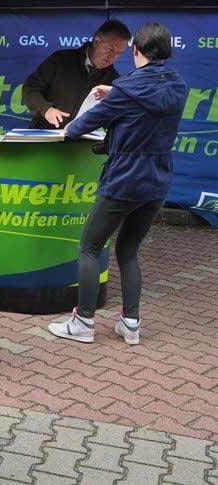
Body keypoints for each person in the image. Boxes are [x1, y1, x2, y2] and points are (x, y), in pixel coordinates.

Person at [48, 22, 187, 345]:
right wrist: (115, 92)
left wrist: (68, 130)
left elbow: (83, 124)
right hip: (158, 180)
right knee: (128, 251)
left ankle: (83, 321)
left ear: (136, 50)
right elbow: (149, 96)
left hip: (125, 179)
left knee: (89, 247)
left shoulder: (128, 88)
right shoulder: (178, 85)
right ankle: (131, 324)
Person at [22, 19, 131, 128]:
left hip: (80, 139)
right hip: (44, 134)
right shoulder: (61, 60)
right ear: (96, 41)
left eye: (118, 53)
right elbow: (30, 88)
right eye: (111, 50)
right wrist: (46, 109)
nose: (113, 56)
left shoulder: (113, 79)